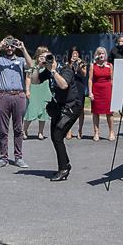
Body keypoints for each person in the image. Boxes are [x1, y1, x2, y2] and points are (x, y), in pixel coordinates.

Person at [33, 50, 85, 181]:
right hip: (58, 106)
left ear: (54, 58)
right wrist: (37, 67)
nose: (47, 60)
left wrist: (54, 71)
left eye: (49, 58)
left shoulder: (65, 69)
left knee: (57, 135)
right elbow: (35, 80)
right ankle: (65, 164)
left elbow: (63, 85)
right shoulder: (46, 70)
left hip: (72, 106)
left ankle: (64, 169)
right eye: (44, 58)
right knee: (55, 137)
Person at [0, 36, 33, 169]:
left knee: (18, 129)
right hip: (3, 96)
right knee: (3, 129)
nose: (9, 48)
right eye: (7, 46)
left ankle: (18, 157)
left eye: (12, 46)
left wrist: (23, 48)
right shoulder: (0, 60)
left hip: (19, 96)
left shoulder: (20, 60)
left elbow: (31, 65)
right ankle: (3, 157)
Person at [23, 46, 51, 140]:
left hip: (44, 89)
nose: (45, 56)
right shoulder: (33, 63)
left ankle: (40, 132)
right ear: (38, 54)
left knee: (43, 112)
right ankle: (24, 130)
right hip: (34, 89)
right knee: (31, 110)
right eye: (43, 54)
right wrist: (27, 90)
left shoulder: (48, 64)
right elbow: (28, 77)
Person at [88, 47, 115, 141]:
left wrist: (114, 92)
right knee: (95, 112)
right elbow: (90, 79)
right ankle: (96, 132)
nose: (101, 55)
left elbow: (112, 79)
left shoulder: (110, 65)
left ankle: (111, 132)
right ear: (96, 55)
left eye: (103, 53)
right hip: (96, 90)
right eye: (99, 53)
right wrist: (90, 92)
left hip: (107, 90)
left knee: (109, 113)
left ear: (105, 55)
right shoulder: (93, 65)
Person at [65, 46, 88, 139]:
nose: (75, 55)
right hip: (70, 87)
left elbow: (84, 74)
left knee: (80, 110)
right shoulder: (67, 63)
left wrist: (79, 65)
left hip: (80, 87)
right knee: (69, 109)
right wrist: (71, 63)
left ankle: (80, 130)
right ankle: (68, 130)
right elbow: (67, 72)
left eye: (76, 54)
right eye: (73, 54)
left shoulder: (82, 63)